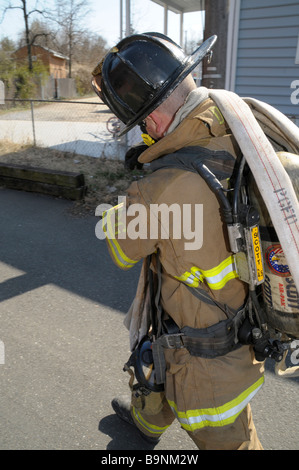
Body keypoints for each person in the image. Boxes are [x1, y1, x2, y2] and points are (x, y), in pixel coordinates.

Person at [92, 32, 264, 450]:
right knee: (158, 365)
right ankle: (147, 422)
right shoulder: (234, 134)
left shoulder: (164, 187)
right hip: (223, 323)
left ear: (150, 121)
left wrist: (120, 208)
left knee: (230, 438)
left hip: (210, 369)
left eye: (141, 127)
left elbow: (119, 246)